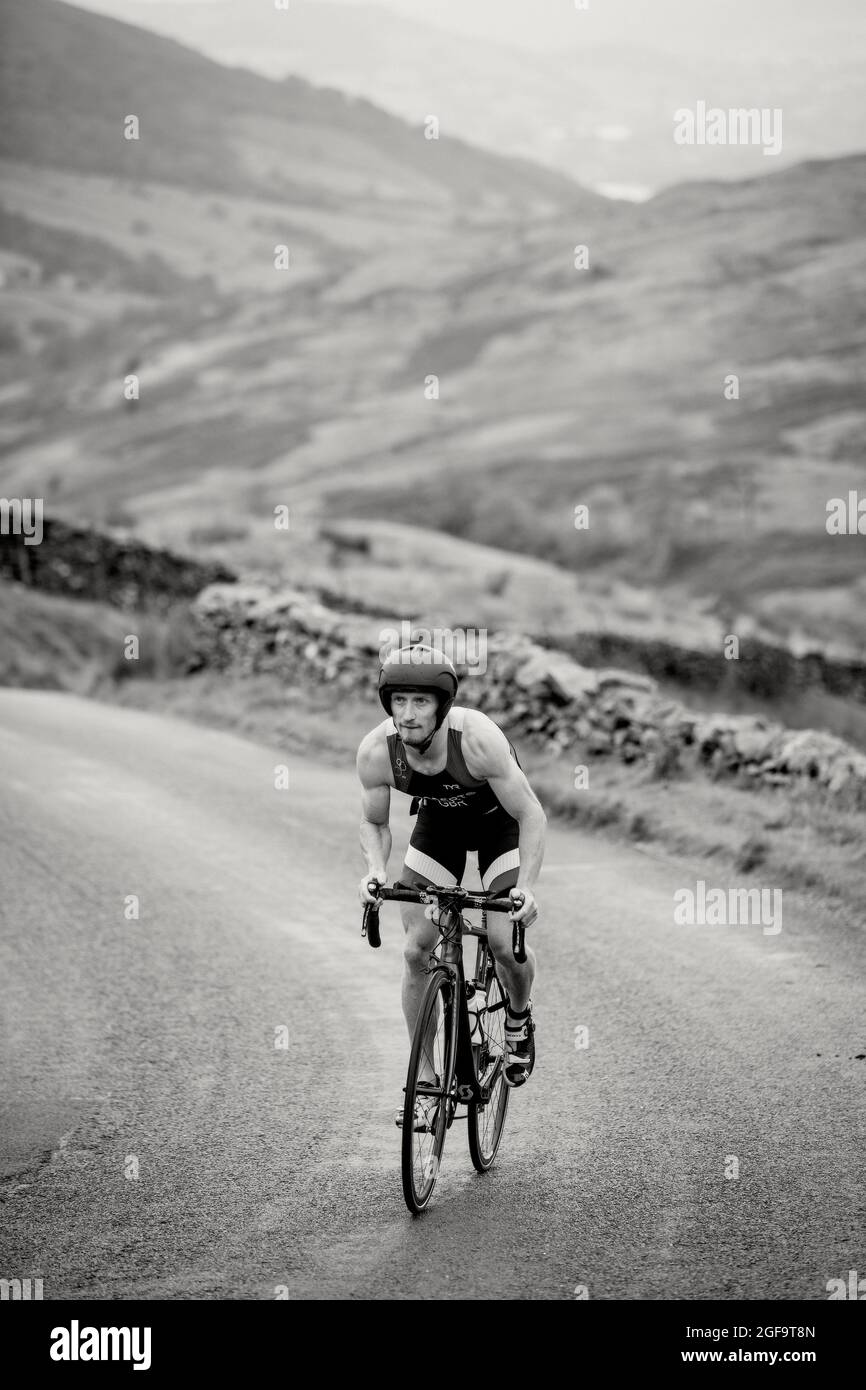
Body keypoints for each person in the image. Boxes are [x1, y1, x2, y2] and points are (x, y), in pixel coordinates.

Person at [356, 644, 546, 1121]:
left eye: (420, 702)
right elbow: (374, 822)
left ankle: (518, 1022)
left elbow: (530, 813)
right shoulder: (379, 751)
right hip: (439, 827)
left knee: (504, 942)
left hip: (497, 824)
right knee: (417, 949)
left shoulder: (476, 739)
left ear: (442, 706)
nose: (408, 713)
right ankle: (423, 1080)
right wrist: (377, 871)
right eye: (399, 701)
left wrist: (526, 887)